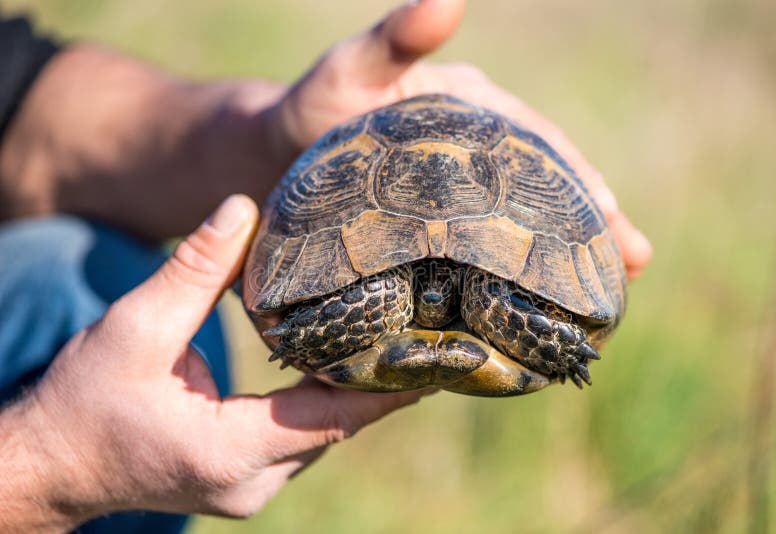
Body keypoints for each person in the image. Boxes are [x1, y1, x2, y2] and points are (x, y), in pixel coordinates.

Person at [0, 0, 652, 532]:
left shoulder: (484, 294)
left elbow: (17, 89)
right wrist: (54, 468)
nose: (430, 290)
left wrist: (267, 133)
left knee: (80, 276)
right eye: (418, 280)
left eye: (443, 281)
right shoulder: (381, 299)